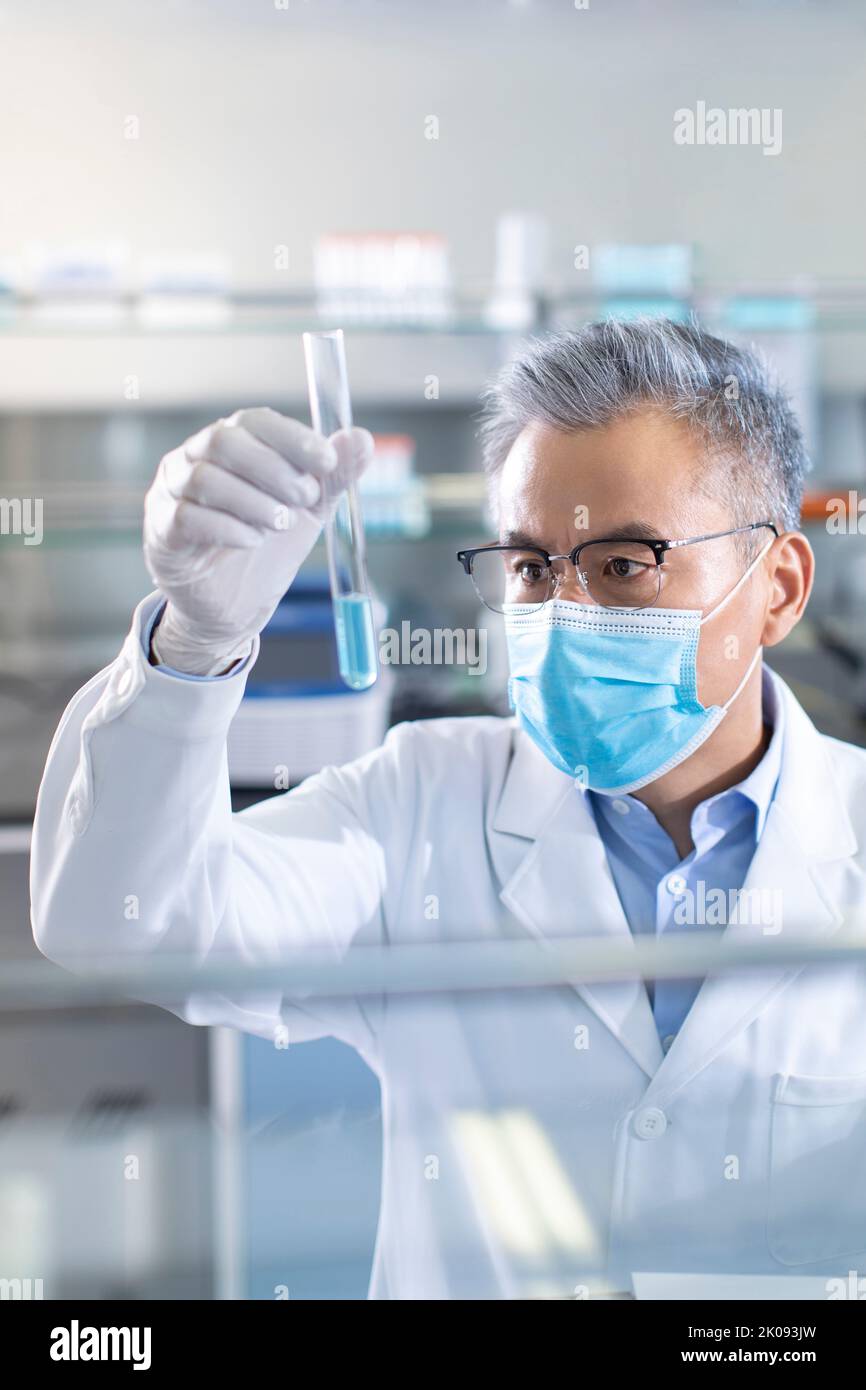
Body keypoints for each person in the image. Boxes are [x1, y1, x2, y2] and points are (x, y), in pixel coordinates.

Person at [31, 318, 866, 1299]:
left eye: (622, 564)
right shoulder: (417, 804)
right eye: (527, 566)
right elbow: (125, 927)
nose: (563, 614)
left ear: (775, 587)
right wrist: (197, 639)